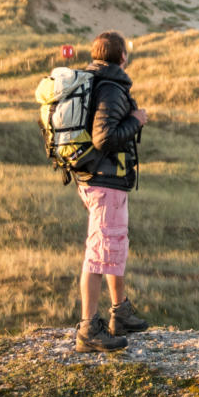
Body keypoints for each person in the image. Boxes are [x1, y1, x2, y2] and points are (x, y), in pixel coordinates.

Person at [72, 30, 152, 353]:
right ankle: (89, 328)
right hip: (106, 181)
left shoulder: (96, 82)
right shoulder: (112, 88)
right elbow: (104, 138)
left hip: (98, 179)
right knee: (98, 251)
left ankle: (120, 312)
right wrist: (136, 120)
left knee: (112, 244)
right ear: (121, 57)